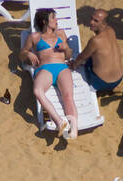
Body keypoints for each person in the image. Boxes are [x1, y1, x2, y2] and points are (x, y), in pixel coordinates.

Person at [21, 9, 79, 140]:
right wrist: (28, 53)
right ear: (44, 21)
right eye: (53, 18)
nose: (56, 20)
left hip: (62, 67)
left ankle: (74, 129)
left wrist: (66, 49)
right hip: (45, 69)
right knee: (37, 90)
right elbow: (22, 54)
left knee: (68, 96)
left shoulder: (60, 34)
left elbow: (69, 54)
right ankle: (60, 122)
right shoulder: (34, 37)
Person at [70, 10, 122, 96]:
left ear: (104, 24)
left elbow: (82, 57)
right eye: (91, 18)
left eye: (96, 21)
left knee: (87, 60)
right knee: (98, 54)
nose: (91, 22)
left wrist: (73, 65)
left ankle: (95, 88)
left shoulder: (95, 41)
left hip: (102, 83)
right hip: (118, 80)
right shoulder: (111, 30)